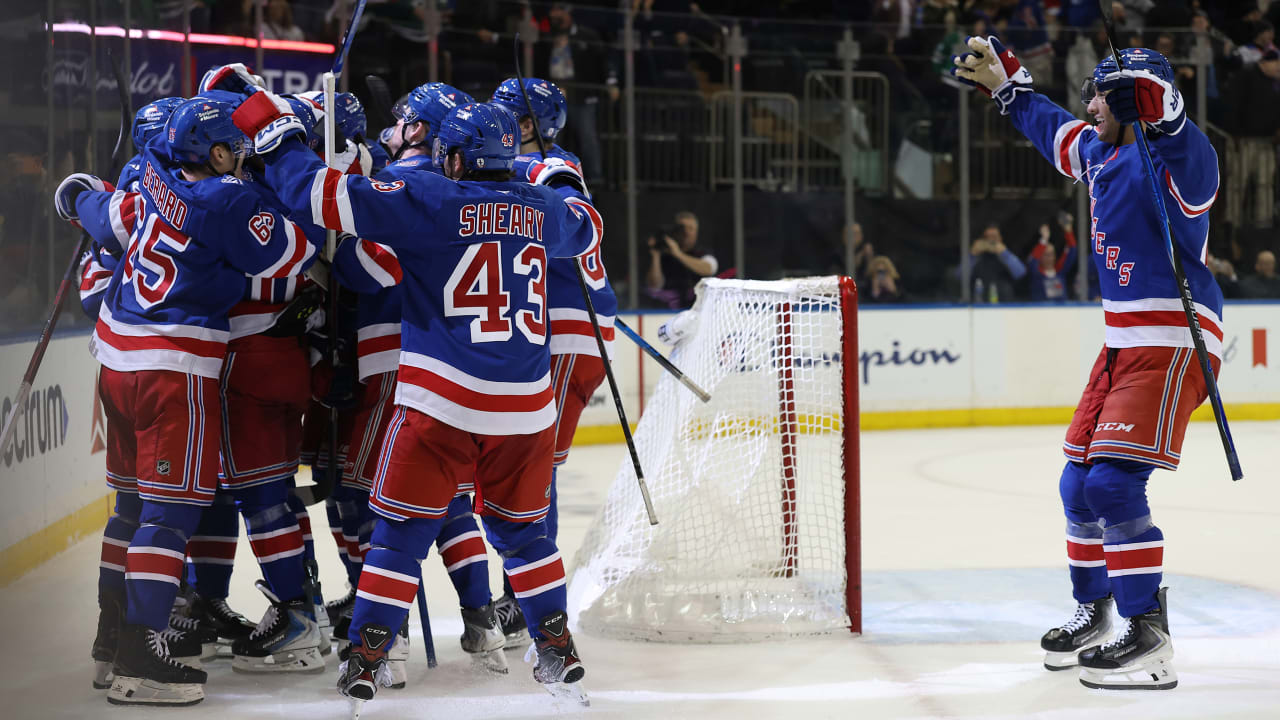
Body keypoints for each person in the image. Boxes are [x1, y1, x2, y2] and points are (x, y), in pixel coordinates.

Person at [229, 87, 600, 710]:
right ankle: (556, 646)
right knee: (525, 537)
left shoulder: (430, 196)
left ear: (451, 157)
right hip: (528, 410)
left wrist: (275, 131)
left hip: (441, 403)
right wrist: (556, 175)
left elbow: (318, 195)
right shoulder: (540, 206)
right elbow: (586, 227)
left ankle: (369, 655)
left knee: (399, 535)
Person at [955, 36, 1223, 690]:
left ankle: (1148, 635)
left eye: (1105, 92)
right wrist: (1011, 88)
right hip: (1123, 343)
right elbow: (1055, 132)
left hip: (1174, 338)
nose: (1091, 102)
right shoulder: (1101, 153)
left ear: (1134, 100)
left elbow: (1179, 132)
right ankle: (1097, 612)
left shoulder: (1177, 160)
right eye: (1092, 90)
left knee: (1112, 486)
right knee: (1076, 487)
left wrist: (1156, 102)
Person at [59, 95, 323, 705]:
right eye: (239, 149)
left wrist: (75, 194)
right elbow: (294, 253)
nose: (246, 157)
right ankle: (142, 658)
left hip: (116, 356)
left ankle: (111, 641)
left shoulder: (149, 178)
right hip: (172, 368)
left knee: (131, 507)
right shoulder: (229, 200)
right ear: (220, 153)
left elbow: (101, 213)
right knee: (171, 513)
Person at [496, 74, 619, 647]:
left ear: (527, 124)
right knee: (528, 464)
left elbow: (569, 204)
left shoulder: (553, 163)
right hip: (556, 326)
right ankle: (522, 597)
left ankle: (528, 605)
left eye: (506, 114)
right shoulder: (524, 162)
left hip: (570, 328)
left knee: (536, 468)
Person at [1223, 49, 1280, 229]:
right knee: (1238, 183)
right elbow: (1233, 105)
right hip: (1243, 140)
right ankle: (1232, 222)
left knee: (1265, 183)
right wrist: (1235, 133)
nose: (1278, 69)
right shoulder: (1245, 76)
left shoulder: (1275, 82)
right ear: (1265, 62)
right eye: (1277, 65)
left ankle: (1264, 222)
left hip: (1267, 141)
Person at [645, 210, 718, 309]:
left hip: (699, 310)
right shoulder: (665, 256)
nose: (686, 233)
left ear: (697, 231)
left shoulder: (702, 252)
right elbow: (654, 285)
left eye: (690, 228)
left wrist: (678, 254)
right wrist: (656, 255)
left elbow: (709, 269)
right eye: (682, 228)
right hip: (669, 311)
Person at [968, 223, 1027, 302]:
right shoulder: (977, 256)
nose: (991, 241)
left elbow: (1021, 273)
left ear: (1000, 238)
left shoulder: (1006, 255)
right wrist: (972, 255)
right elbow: (959, 277)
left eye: (994, 237)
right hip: (980, 304)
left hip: (1005, 303)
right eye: (987, 237)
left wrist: (1005, 253)